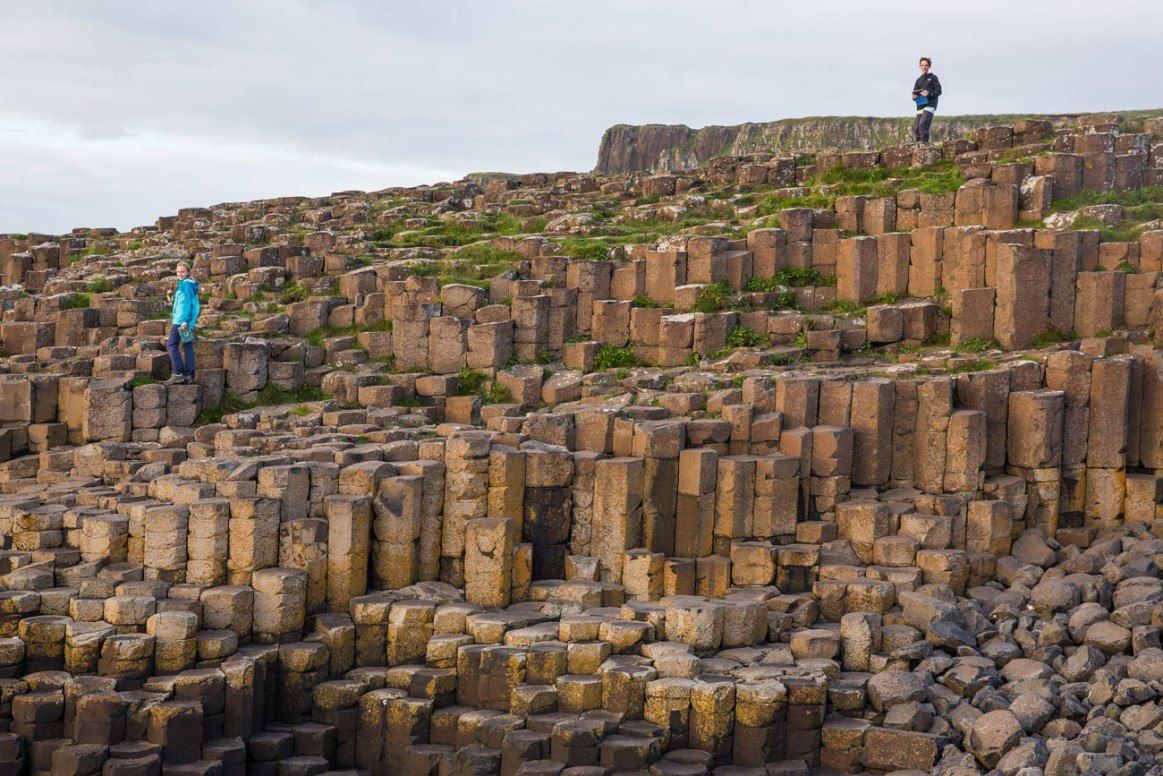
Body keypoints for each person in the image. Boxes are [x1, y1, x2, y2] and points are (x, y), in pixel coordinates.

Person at [165, 261, 200, 385]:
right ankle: (189, 375)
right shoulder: (186, 284)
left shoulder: (186, 285)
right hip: (185, 320)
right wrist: (170, 297)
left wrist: (186, 321)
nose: (180, 273)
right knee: (187, 345)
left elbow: (190, 305)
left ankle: (178, 373)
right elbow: (183, 302)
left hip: (181, 321)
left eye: (182, 271)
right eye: (178, 271)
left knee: (171, 344)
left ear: (188, 272)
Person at [911, 56, 942, 143]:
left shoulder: (933, 78)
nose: (924, 67)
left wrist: (929, 93)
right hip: (920, 105)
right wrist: (914, 97)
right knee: (916, 129)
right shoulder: (918, 80)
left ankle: (924, 148)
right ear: (920, 66)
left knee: (923, 125)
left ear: (929, 66)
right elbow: (915, 93)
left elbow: (939, 91)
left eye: (926, 65)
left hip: (930, 104)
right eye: (922, 65)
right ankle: (919, 146)